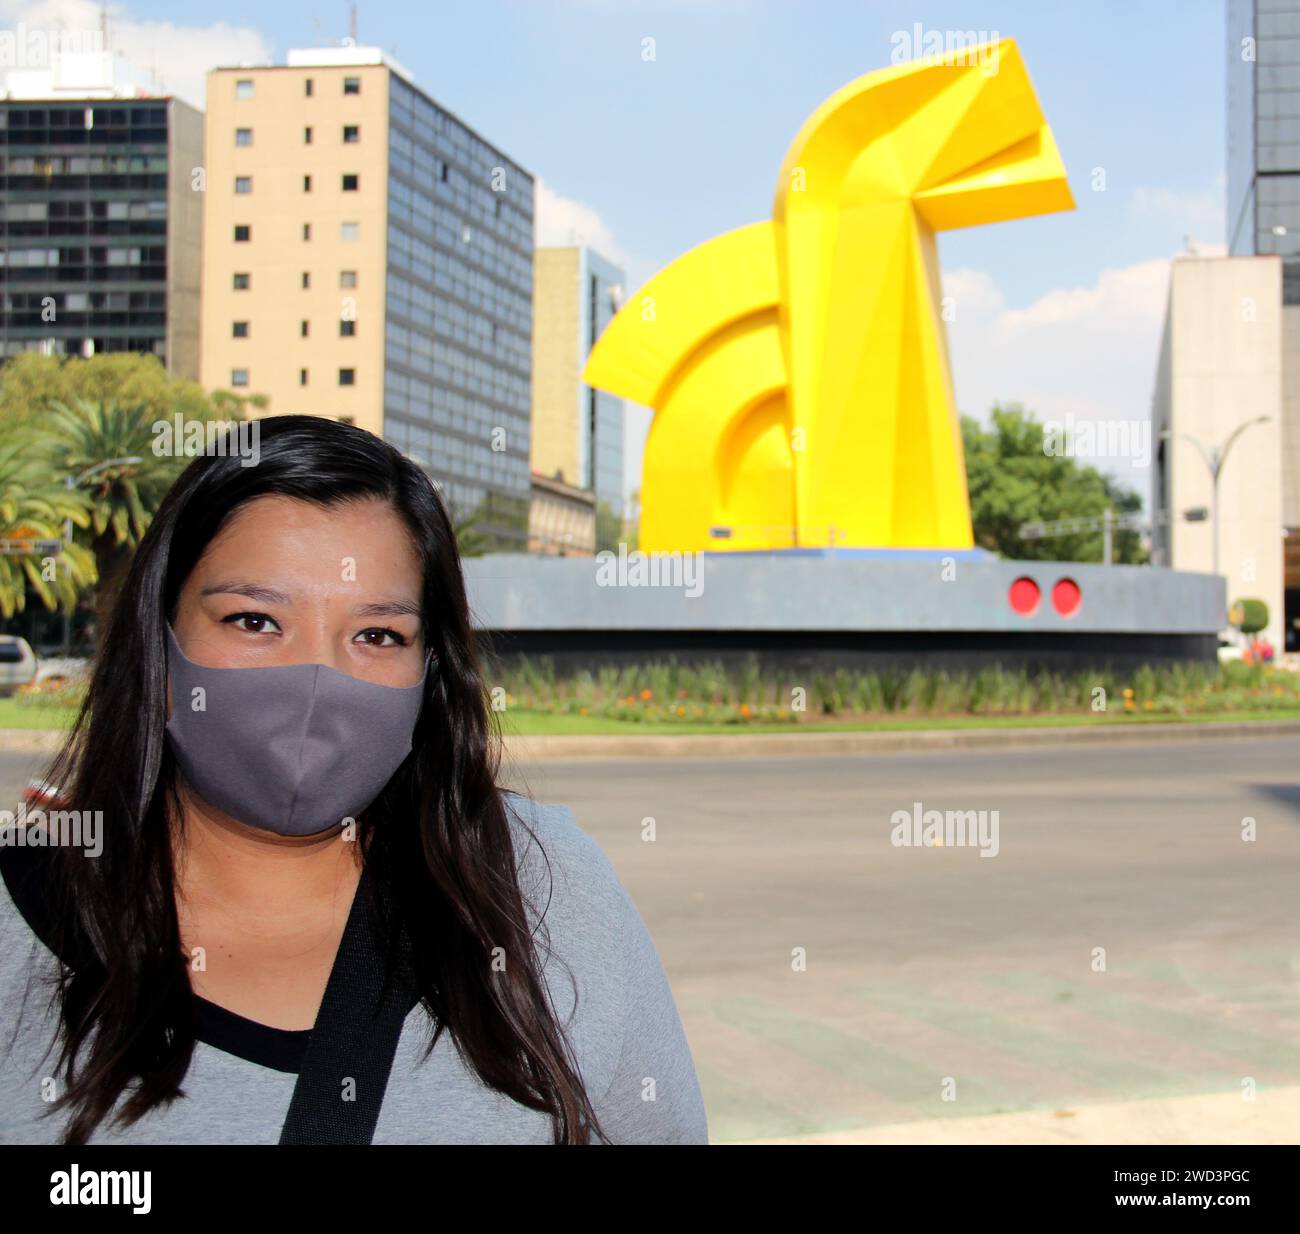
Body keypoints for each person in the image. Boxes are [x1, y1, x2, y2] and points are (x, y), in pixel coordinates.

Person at [0, 414, 708, 1145]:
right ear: (160, 641)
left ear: (429, 672)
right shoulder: (15, 930)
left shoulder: (543, 884)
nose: (318, 680)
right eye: (254, 620)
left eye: (377, 636)